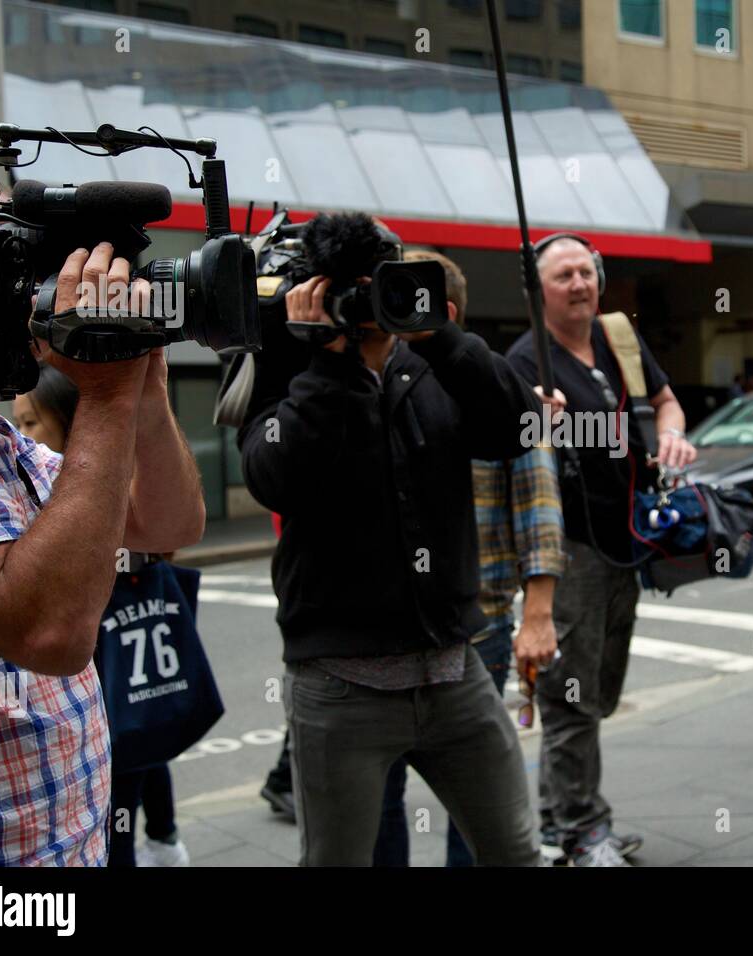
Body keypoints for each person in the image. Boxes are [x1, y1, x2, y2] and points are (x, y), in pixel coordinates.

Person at [237, 213, 544, 866]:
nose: (365, 304)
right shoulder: (285, 358)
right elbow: (272, 478)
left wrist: (440, 336)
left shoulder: (431, 357)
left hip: (453, 672)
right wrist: (328, 368)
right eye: (346, 289)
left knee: (516, 851)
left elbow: (519, 427)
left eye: (377, 284)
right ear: (315, 290)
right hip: (341, 688)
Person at [0, 243, 205, 865]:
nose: (34, 294)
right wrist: (106, 396)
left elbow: (165, 524)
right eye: (7, 271)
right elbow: (49, 632)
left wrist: (146, 383)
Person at [505, 233, 697, 866]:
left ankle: (556, 824)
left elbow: (665, 401)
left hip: (628, 542)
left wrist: (671, 438)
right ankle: (584, 828)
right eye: (563, 276)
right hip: (570, 550)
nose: (579, 284)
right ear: (537, 291)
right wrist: (536, 423)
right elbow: (509, 456)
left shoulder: (618, 337)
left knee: (596, 692)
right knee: (571, 697)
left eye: (586, 272)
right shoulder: (524, 361)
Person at [371, 249, 564, 867]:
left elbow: (539, 504)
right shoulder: (380, 380)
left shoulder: (490, 384)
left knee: (474, 800)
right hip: (382, 633)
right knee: (377, 797)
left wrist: (538, 613)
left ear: (444, 310)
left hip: (477, 622)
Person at [13, 366, 191, 867]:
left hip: (115, 691)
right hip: (117, 700)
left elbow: (170, 533)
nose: (19, 434)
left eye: (30, 423)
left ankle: (163, 840)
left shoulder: (92, 494)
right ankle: (167, 839)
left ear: (72, 425)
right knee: (143, 765)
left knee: (125, 799)